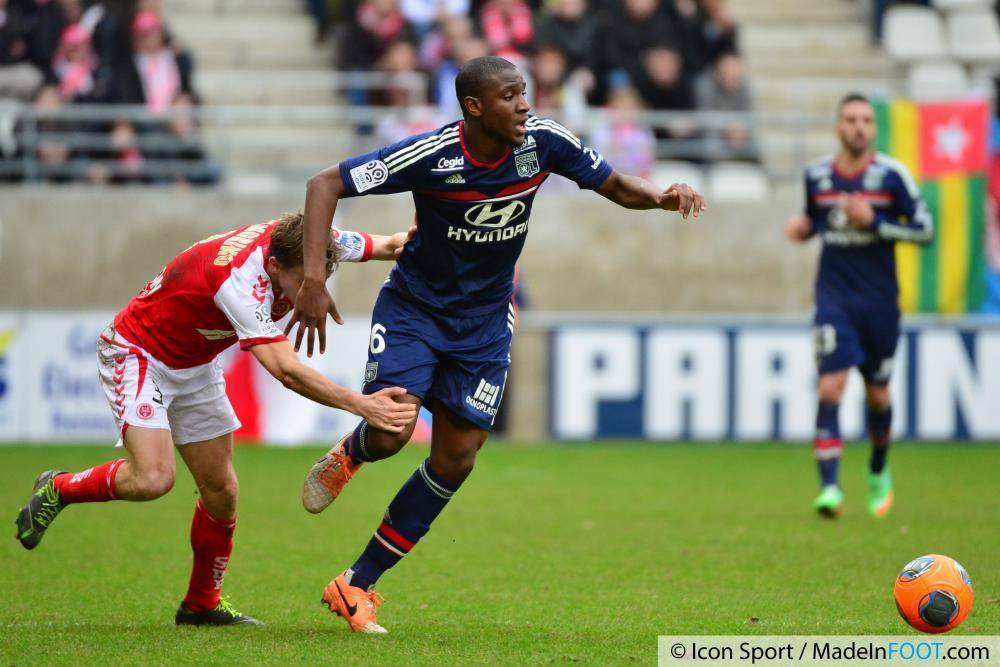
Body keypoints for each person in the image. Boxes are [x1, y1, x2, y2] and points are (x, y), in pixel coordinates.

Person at [288, 55, 705, 634]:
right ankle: (354, 452)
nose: (525, 105)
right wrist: (312, 280)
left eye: (525, 93)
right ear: (474, 107)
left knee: (457, 457)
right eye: (510, 96)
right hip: (416, 309)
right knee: (392, 430)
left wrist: (658, 196)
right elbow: (324, 184)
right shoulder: (431, 155)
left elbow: (613, 184)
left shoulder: (543, 144)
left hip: (484, 323)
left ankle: (356, 584)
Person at [14, 214, 418, 626]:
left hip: (194, 361)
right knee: (152, 478)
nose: (311, 290)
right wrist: (362, 404)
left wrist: (434, 228)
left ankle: (200, 605)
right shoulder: (240, 280)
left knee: (221, 490)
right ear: (275, 267)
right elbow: (286, 370)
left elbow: (389, 245)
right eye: (303, 282)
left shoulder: (314, 242)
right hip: (139, 350)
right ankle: (58, 488)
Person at [784, 93, 933, 519]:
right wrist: (804, 228)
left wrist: (877, 223)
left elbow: (925, 231)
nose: (859, 127)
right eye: (850, 119)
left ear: (874, 129)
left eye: (866, 120)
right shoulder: (816, 175)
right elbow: (817, 219)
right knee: (830, 386)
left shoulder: (892, 177)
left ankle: (877, 468)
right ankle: (829, 488)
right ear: (838, 127)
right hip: (834, 299)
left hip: (880, 303)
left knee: (878, 396)